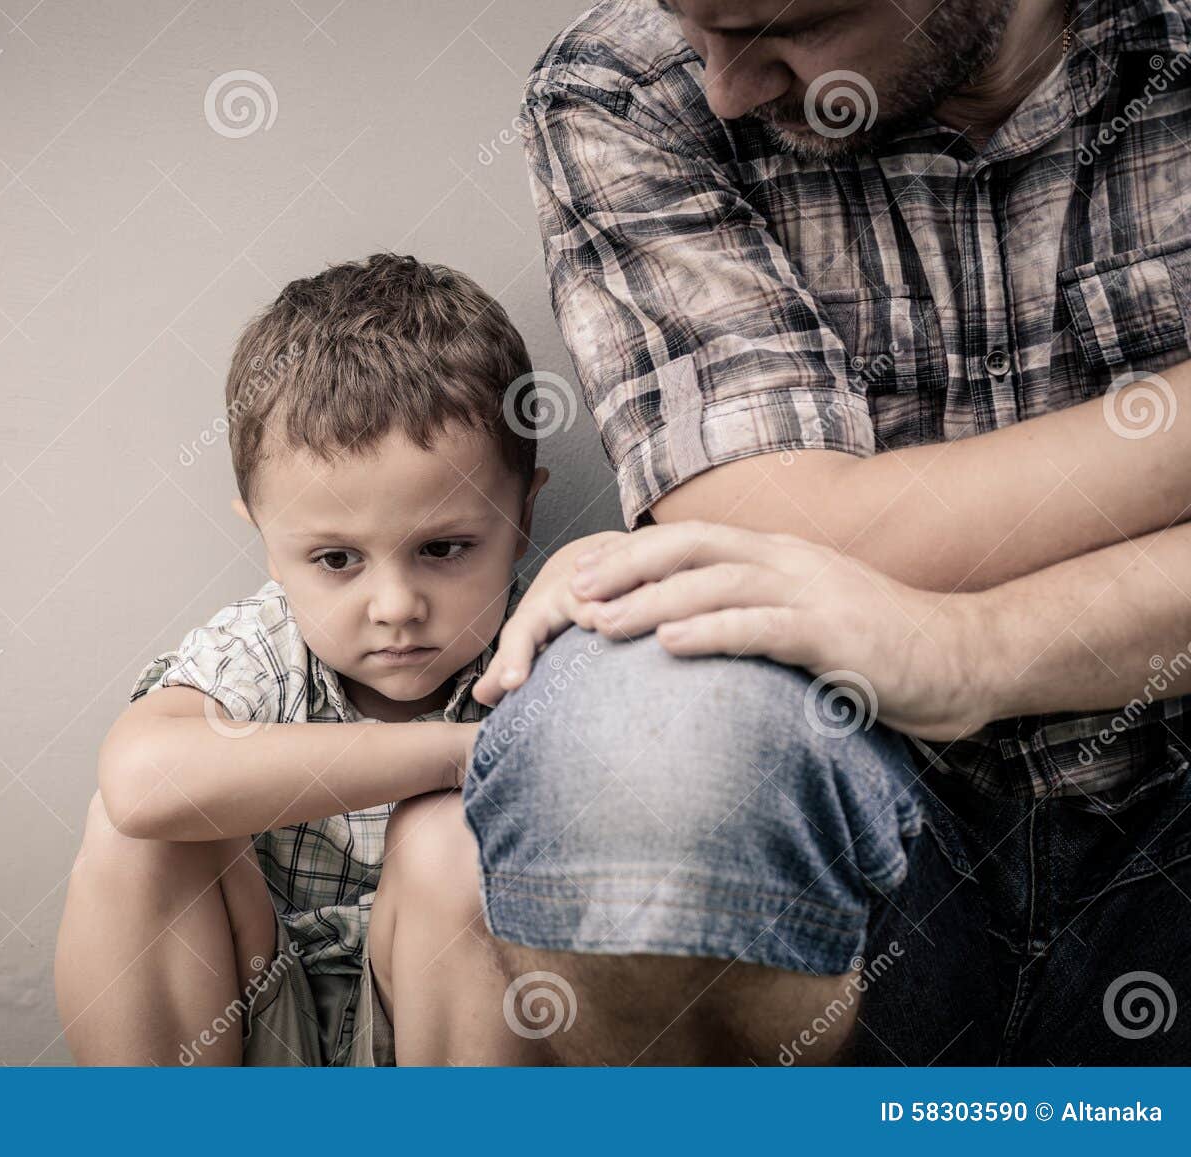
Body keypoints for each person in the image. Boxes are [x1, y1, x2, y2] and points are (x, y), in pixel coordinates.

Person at [463, 0, 1191, 1064]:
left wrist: (976, 649)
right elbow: (782, 537)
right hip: (874, 836)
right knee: (634, 747)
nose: (722, 84)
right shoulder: (627, 86)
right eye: (690, 21)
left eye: (784, 26)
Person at [54, 253, 605, 1065]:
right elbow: (139, 779)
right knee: (139, 831)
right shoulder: (267, 648)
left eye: (444, 547)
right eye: (338, 560)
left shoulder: (547, 654)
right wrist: (466, 752)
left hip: (458, 1030)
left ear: (522, 518)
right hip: (259, 1032)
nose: (395, 606)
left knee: (455, 838)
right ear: (269, 545)